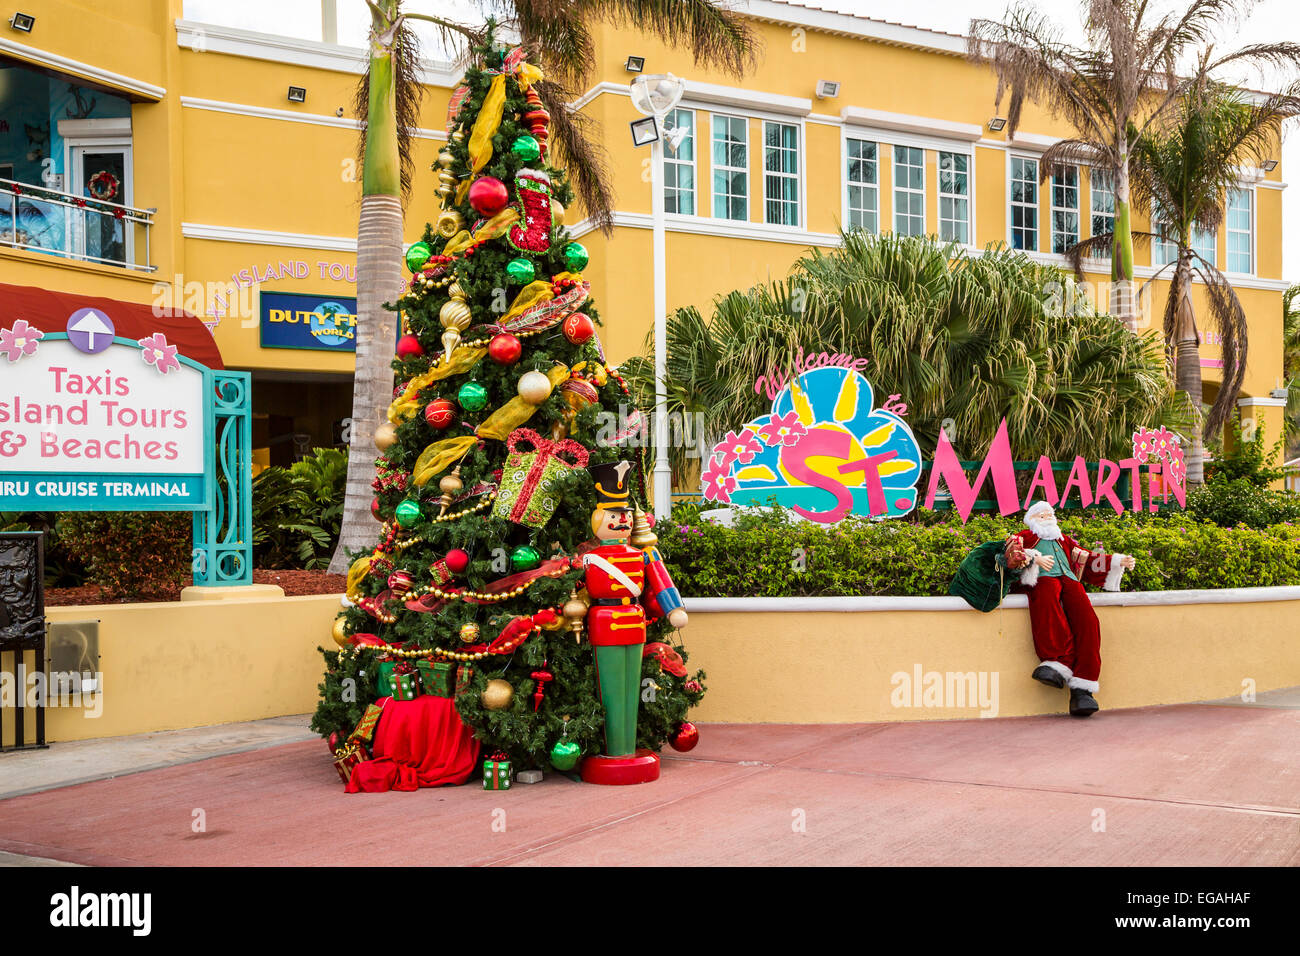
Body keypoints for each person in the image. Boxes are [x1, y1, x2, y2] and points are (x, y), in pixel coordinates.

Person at [1004, 501, 1136, 717]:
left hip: (1069, 579)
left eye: (1049, 514)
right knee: (1048, 605)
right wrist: (1034, 558)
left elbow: (1086, 557)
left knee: (1088, 621)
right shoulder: (1026, 536)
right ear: (1032, 520)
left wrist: (1117, 562)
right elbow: (1011, 551)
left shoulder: (1063, 540)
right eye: (1041, 515)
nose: (1047, 517)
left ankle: (1083, 688)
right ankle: (1057, 662)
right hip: (1043, 579)